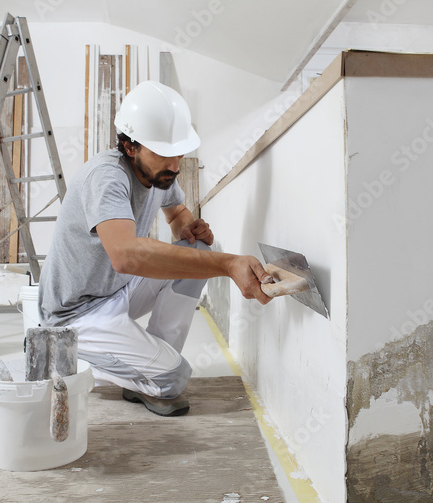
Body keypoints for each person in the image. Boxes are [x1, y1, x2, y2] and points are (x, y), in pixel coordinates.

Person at [38, 81, 272, 416]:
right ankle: (61, 353)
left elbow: (176, 213)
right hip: (75, 315)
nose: (176, 165)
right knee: (174, 378)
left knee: (201, 252)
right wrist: (229, 264)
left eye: (179, 152)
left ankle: (149, 368)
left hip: (115, 293)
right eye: (165, 153)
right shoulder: (107, 177)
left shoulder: (161, 174)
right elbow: (125, 255)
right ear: (131, 147)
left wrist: (188, 227)